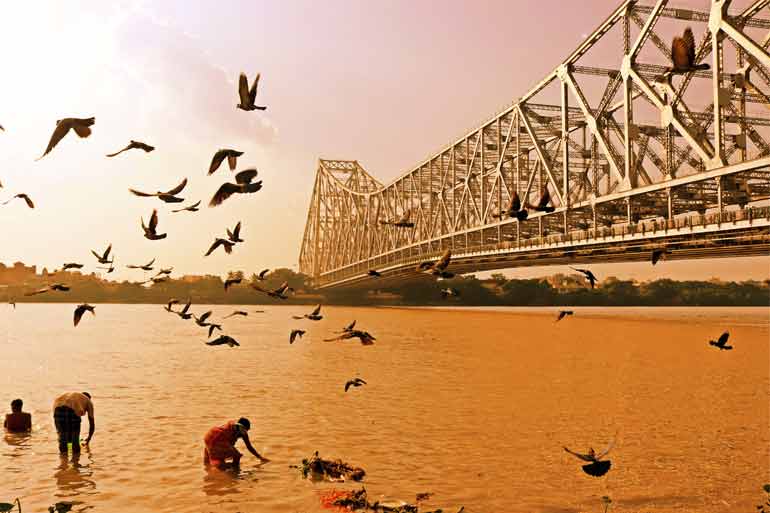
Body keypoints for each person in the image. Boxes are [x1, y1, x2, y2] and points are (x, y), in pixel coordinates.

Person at [203, 417, 269, 468]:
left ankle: (211, 470)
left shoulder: (237, 429)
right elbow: (248, 447)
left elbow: (249, 446)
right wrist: (260, 457)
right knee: (236, 456)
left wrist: (260, 457)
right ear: (242, 427)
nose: (245, 432)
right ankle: (235, 471)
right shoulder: (237, 429)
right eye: (245, 430)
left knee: (208, 461)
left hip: (208, 436)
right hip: (218, 438)